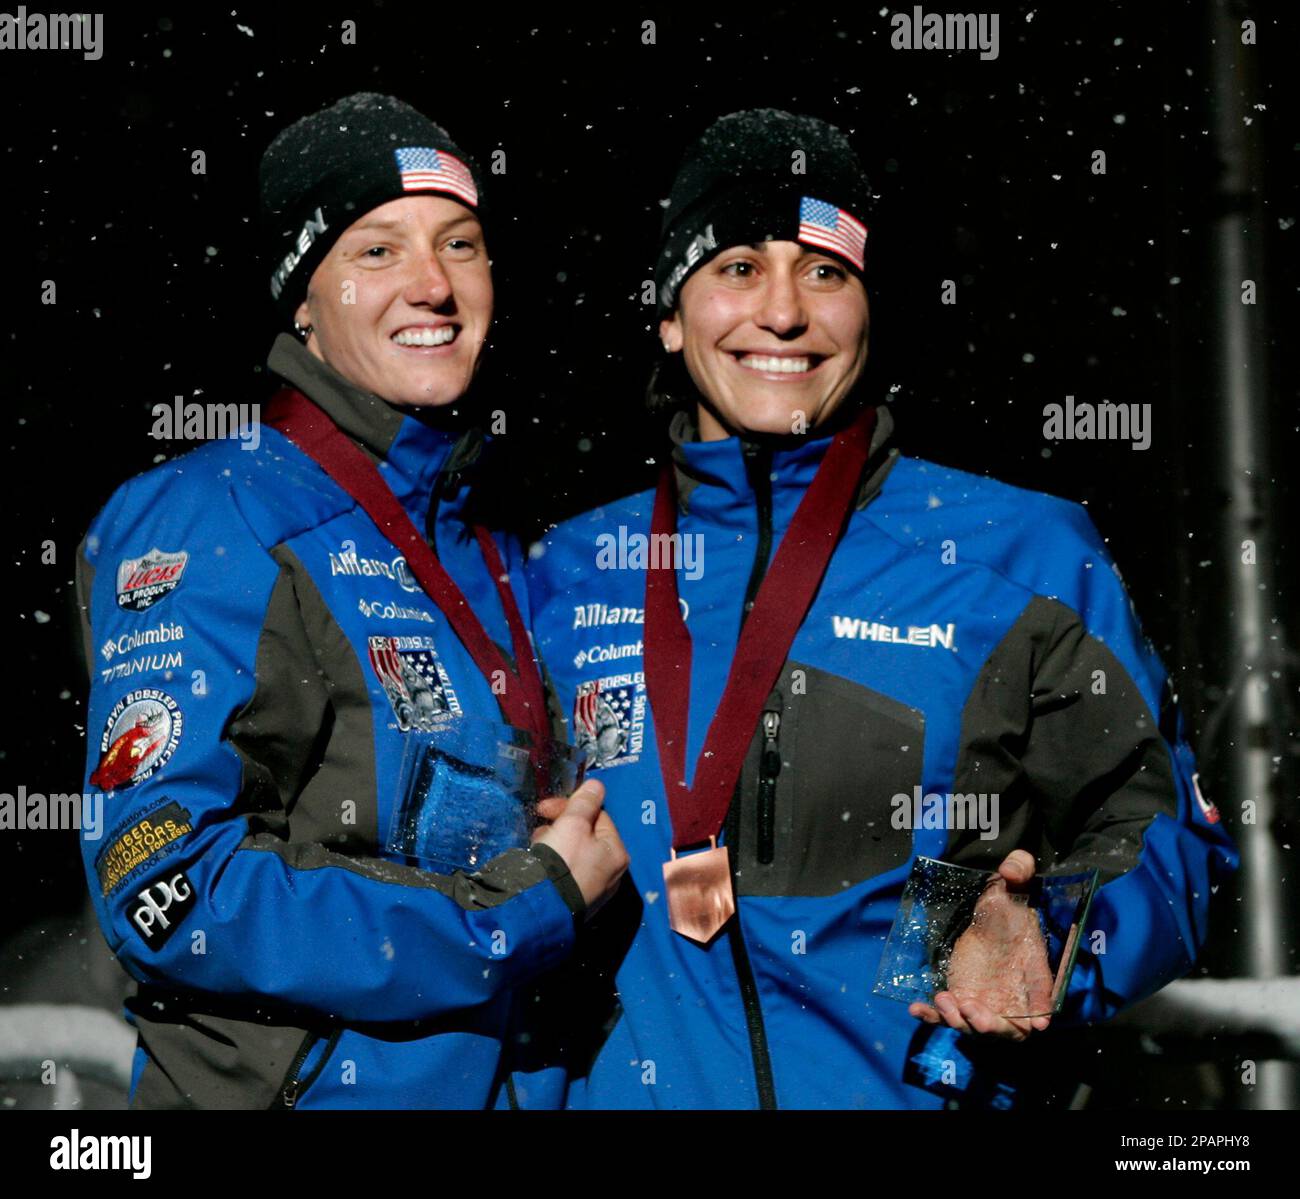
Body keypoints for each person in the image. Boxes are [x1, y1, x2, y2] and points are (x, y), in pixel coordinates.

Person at [522, 108, 1239, 1109]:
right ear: (669, 315)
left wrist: (1062, 934)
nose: (783, 313)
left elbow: (1169, 835)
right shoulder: (562, 571)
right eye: (736, 267)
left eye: (825, 272)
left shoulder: (1019, 554)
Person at [75, 92, 626, 1110]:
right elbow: (163, 887)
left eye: (460, 244)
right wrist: (512, 914)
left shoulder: (501, 540)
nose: (434, 284)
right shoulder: (214, 513)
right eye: (377, 249)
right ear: (301, 295)